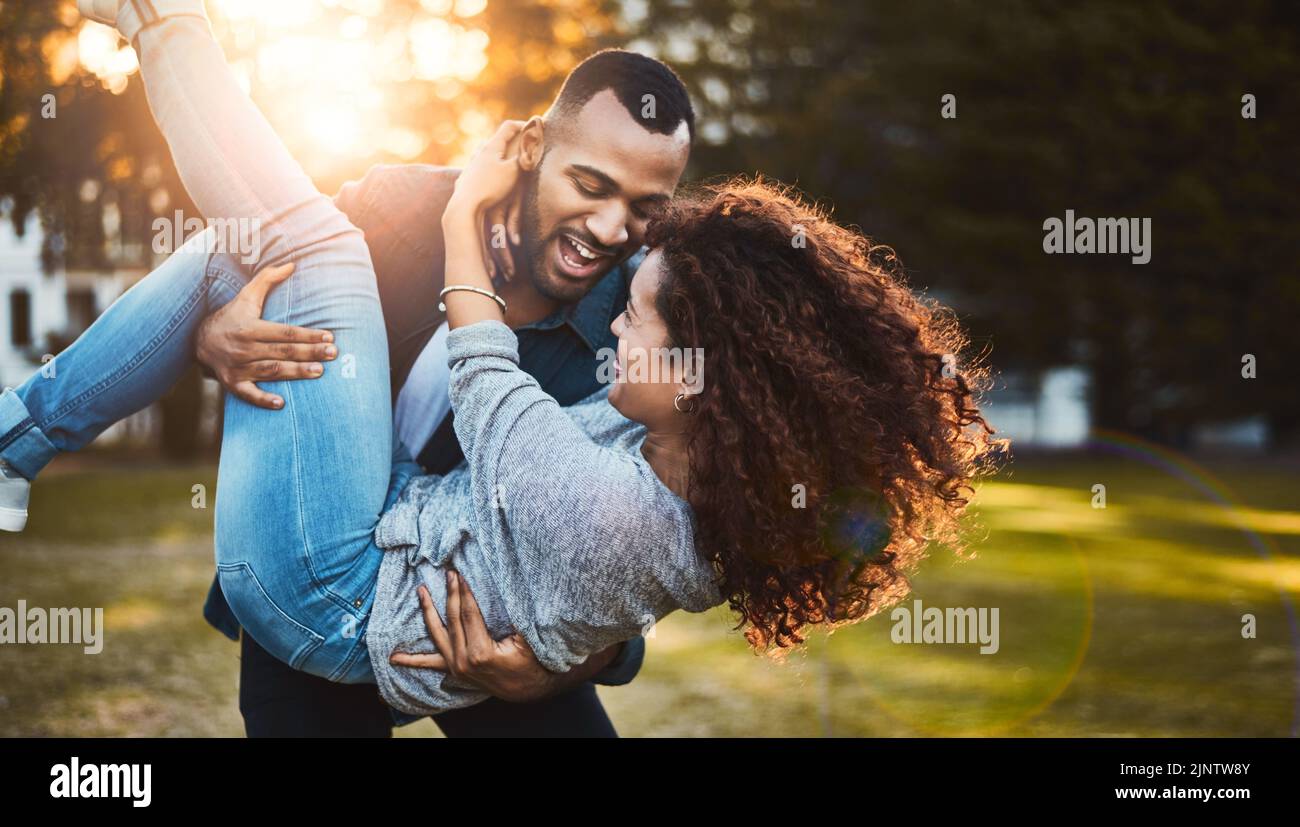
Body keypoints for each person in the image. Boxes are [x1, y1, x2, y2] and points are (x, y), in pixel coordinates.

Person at [2, 0, 1001, 731]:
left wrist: (572, 658)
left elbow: (617, 514)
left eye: (646, 212)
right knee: (269, 242)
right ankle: (24, 433)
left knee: (293, 236)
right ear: (534, 153)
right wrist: (214, 332)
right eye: (590, 184)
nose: (615, 230)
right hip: (345, 573)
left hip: (479, 631)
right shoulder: (396, 205)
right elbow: (255, 252)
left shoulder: (640, 332)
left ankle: (163, 26)